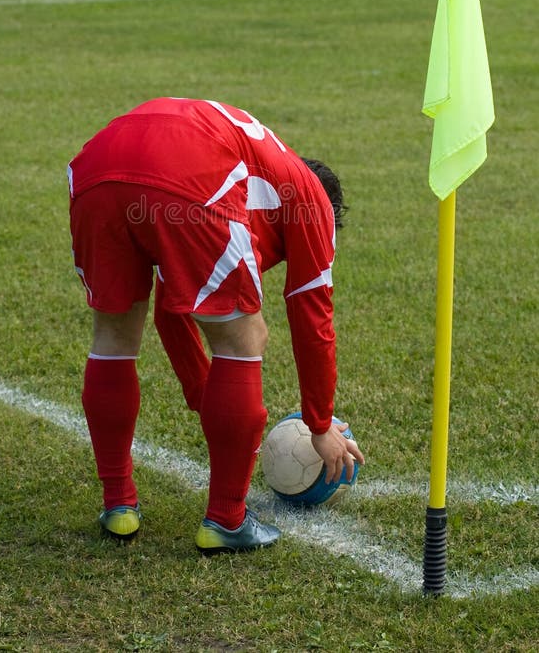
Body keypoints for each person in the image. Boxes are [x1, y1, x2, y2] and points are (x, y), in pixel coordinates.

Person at [68, 97, 365, 553]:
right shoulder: (311, 202)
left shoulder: (262, 168)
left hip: (97, 168)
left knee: (112, 336)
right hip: (188, 174)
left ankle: (119, 505)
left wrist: (206, 396)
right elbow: (313, 317)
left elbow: (173, 305)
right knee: (245, 336)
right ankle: (227, 519)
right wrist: (320, 423)